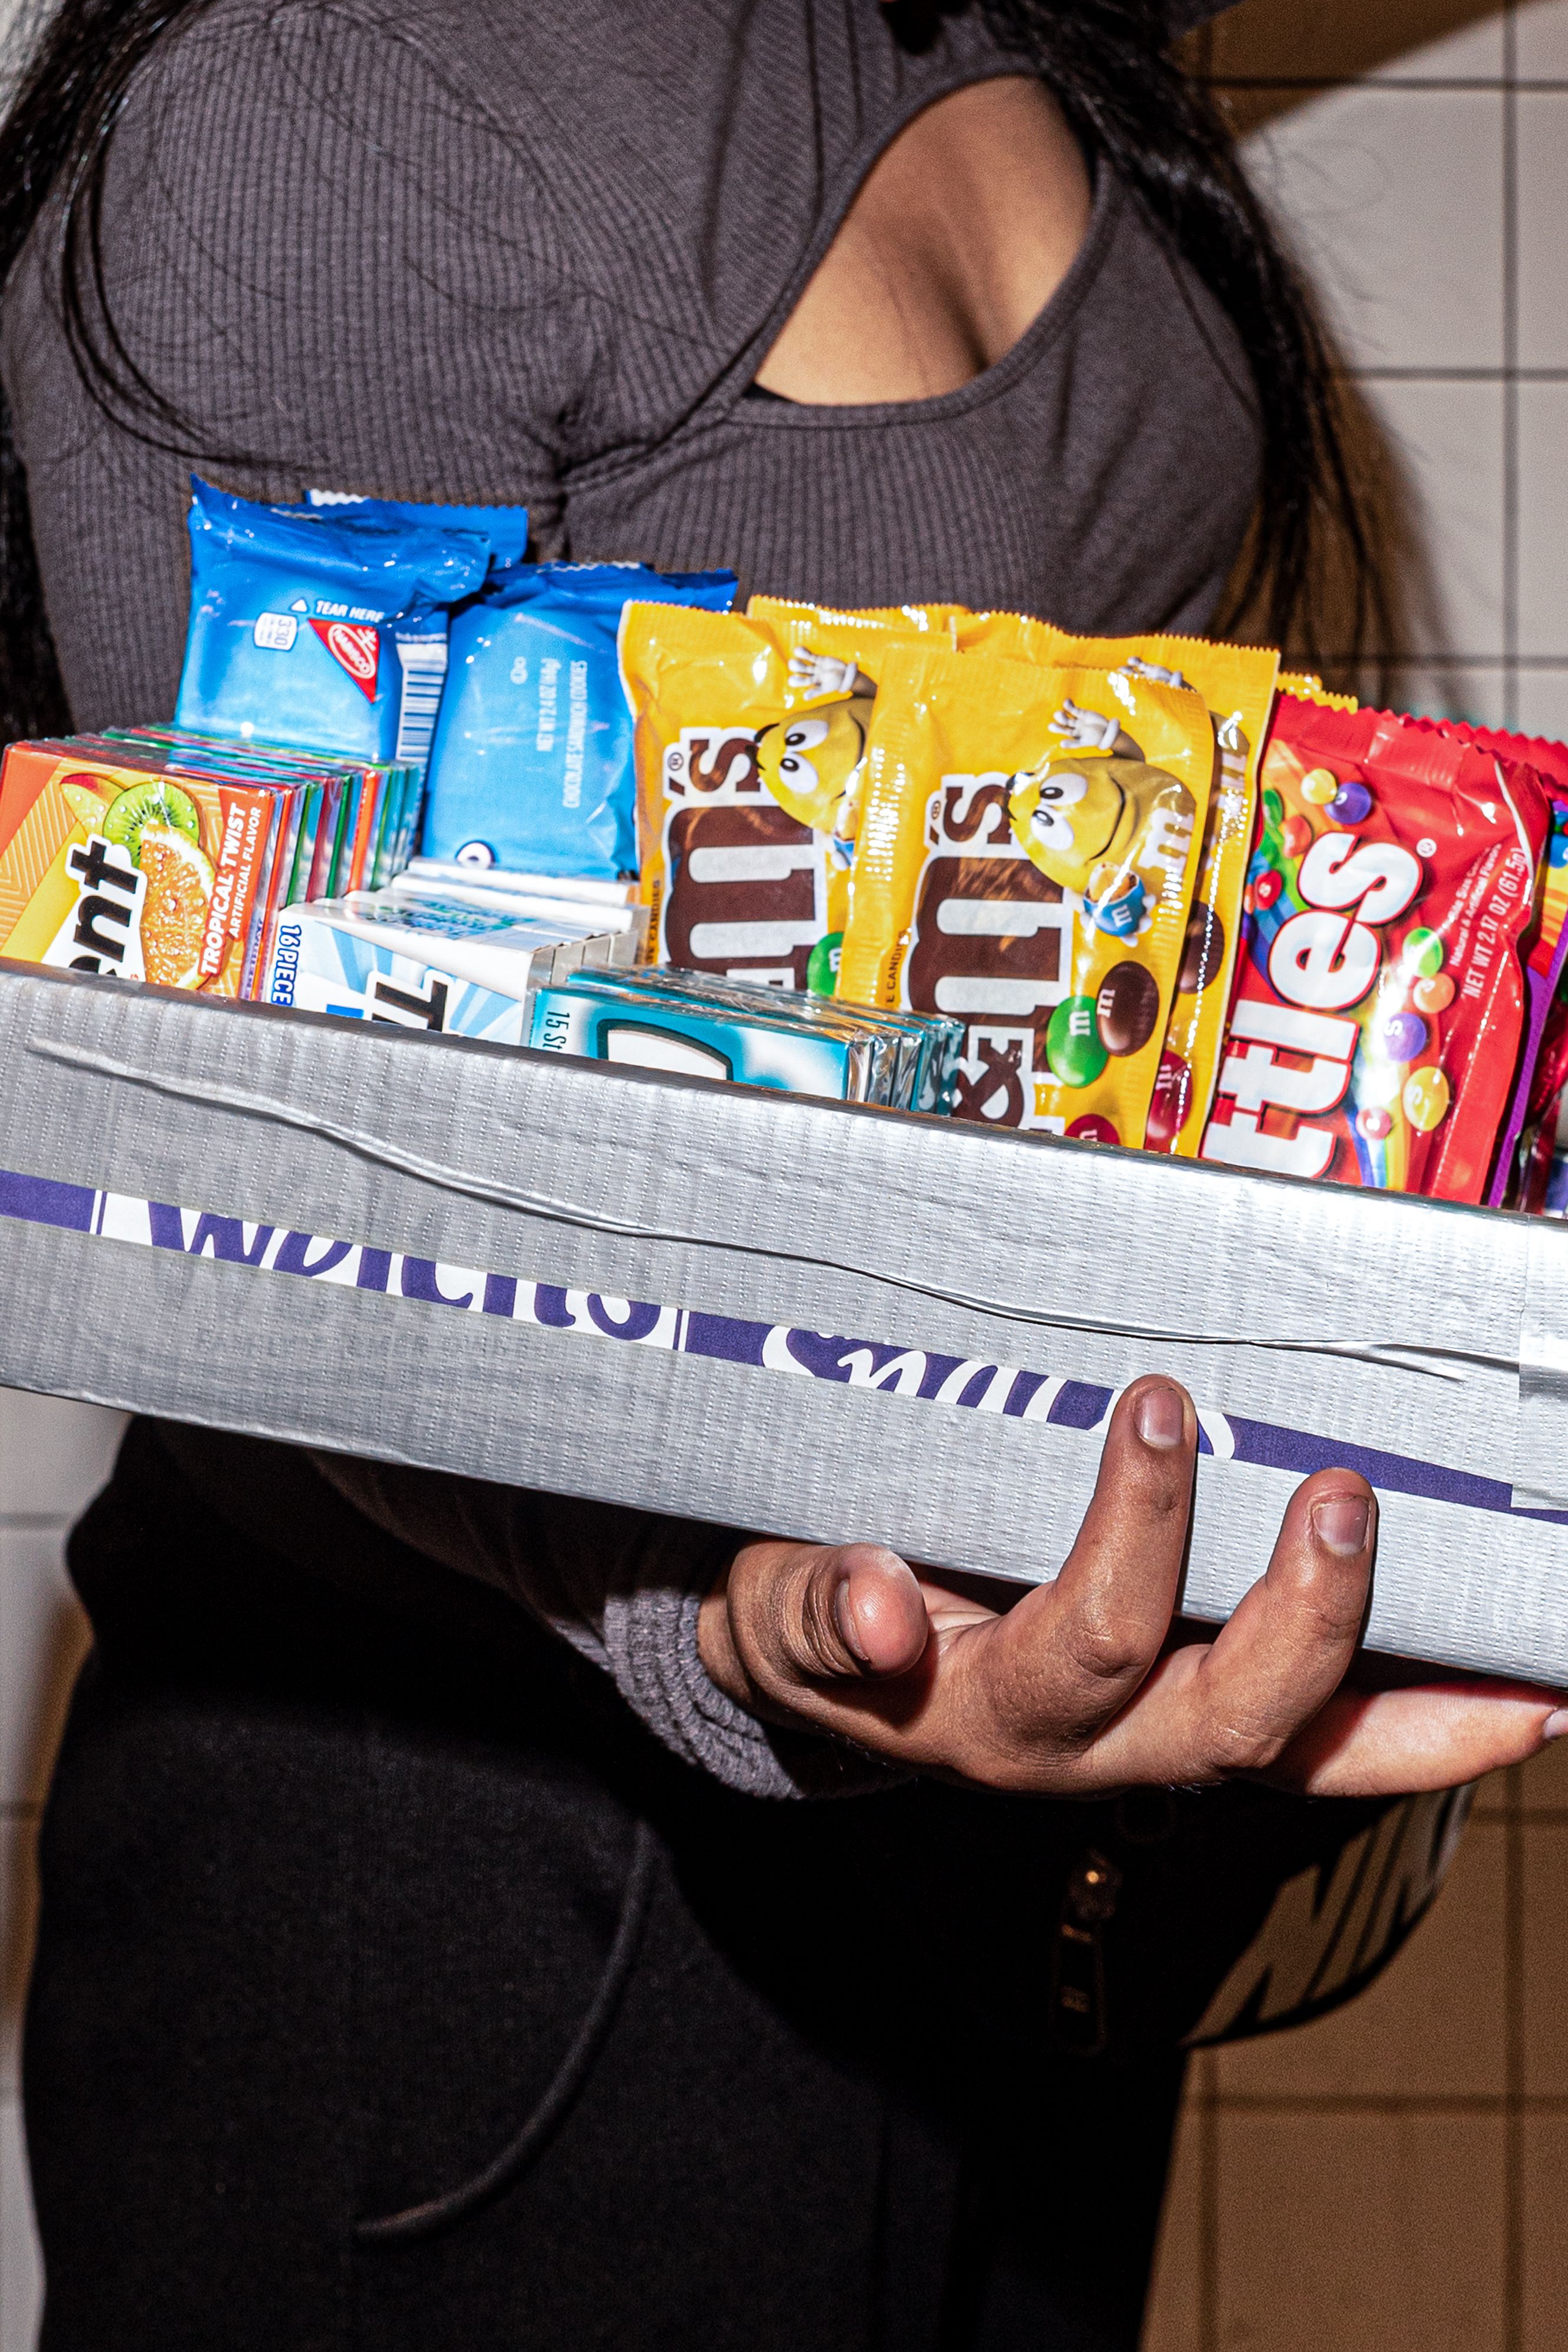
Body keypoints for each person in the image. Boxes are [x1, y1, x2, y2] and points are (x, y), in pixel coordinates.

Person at [1, 1, 1559, 2344]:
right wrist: (724, 1618)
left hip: (1002, 1848)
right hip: (503, 1888)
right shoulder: (337, 89)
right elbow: (260, 1170)